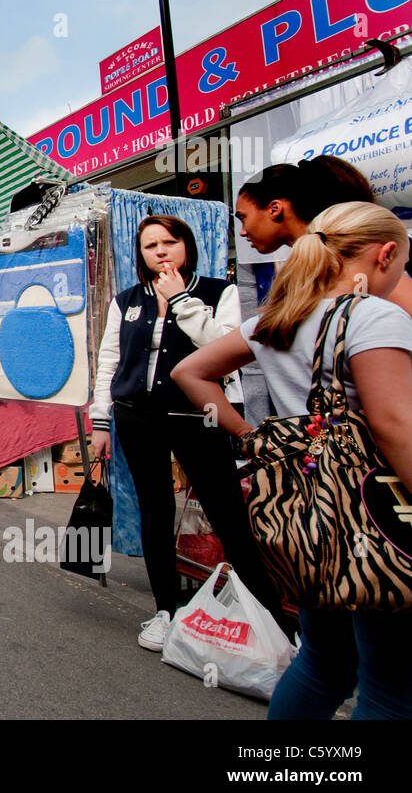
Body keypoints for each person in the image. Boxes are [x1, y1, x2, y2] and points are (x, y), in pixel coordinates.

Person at [173, 201, 412, 719]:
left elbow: (190, 372)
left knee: (323, 664)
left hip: (304, 515)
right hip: (377, 520)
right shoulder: (375, 316)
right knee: (393, 687)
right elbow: (396, 428)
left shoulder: (279, 319)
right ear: (386, 255)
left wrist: (255, 438)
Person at [89, 214, 286, 650]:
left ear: (186, 246)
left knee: (228, 514)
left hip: (199, 417)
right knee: (155, 512)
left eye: (169, 242)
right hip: (136, 416)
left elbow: (226, 349)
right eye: (150, 246)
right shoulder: (127, 300)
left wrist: (181, 302)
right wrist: (100, 421)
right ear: (139, 255)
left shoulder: (219, 292)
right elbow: (109, 362)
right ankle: (166, 610)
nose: (160, 251)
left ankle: (273, 623)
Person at [235, 154, 412, 315]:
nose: (242, 232)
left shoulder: (351, 255)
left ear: (275, 209)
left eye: (243, 218)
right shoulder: (309, 266)